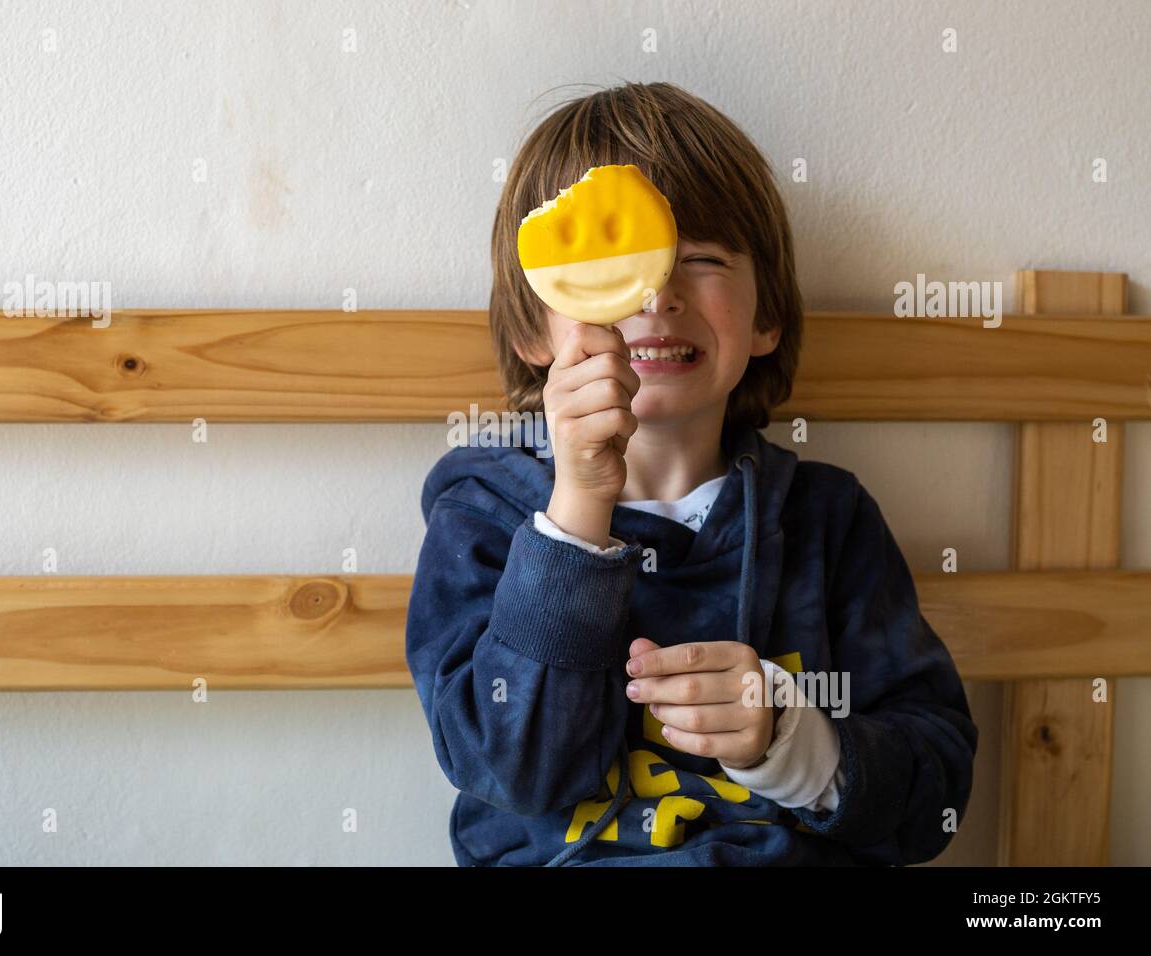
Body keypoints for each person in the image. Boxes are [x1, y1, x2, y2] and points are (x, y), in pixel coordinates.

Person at [405, 81, 977, 866]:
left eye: (701, 259)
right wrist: (576, 511)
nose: (656, 295)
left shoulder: (826, 521)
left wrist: (793, 741)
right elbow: (513, 769)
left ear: (766, 315)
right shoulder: (484, 519)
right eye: (604, 267)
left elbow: (935, 795)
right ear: (530, 331)